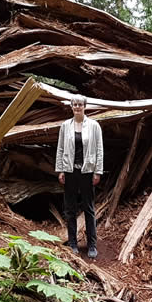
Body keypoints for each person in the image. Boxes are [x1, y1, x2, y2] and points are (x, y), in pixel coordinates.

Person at [55, 95, 103, 258]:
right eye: (74, 104)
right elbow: (60, 149)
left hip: (87, 171)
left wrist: (98, 171)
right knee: (70, 209)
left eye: (80, 104)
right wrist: (60, 170)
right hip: (70, 171)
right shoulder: (65, 126)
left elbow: (99, 150)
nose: (77, 107)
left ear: (84, 106)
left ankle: (92, 245)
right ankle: (73, 243)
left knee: (88, 208)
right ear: (71, 106)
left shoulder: (94, 126)